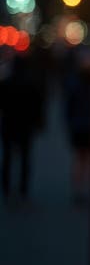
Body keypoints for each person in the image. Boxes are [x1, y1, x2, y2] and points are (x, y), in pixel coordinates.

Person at [0, 51, 44, 202]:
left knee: (7, 157)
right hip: (25, 125)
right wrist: (39, 123)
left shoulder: (6, 83)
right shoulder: (31, 84)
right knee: (25, 157)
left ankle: (6, 187)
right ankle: (23, 189)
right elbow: (38, 106)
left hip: (8, 124)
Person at [64, 51, 90, 201]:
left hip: (78, 126)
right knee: (87, 159)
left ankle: (78, 189)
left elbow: (68, 108)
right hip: (89, 127)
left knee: (79, 158)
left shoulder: (74, 84)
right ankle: (85, 189)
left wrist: (69, 123)